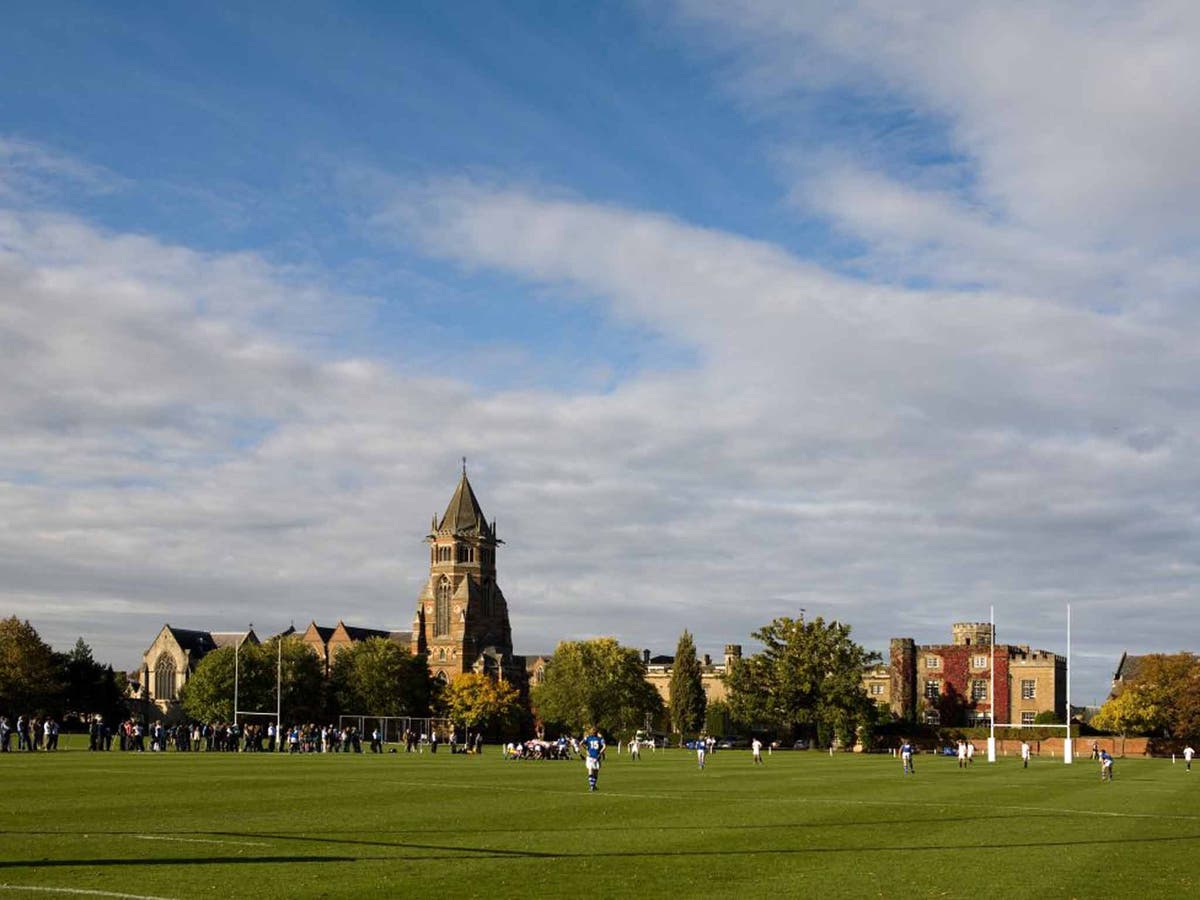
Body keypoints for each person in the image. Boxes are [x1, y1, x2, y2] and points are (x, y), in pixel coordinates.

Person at [582, 727, 605, 792]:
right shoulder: (600, 738)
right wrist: (600, 753)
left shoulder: (588, 738)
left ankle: (592, 786)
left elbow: (581, 743)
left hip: (590, 756)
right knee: (595, 771)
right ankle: (593, 786)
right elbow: (604, 746)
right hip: (597, 756)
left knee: (590, 770)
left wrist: (586, 750)